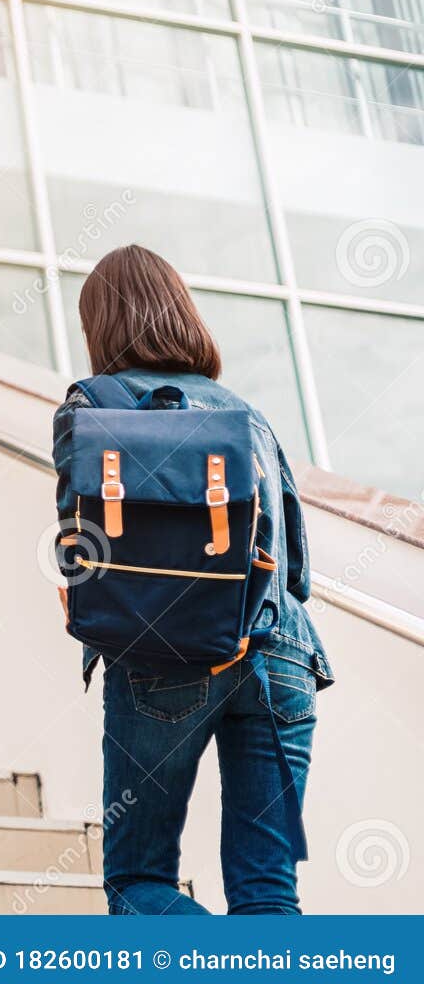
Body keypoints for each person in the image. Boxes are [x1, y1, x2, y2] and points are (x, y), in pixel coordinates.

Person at [54, 245, 334, 915]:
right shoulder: (248, 415)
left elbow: (79, 543)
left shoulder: (94, 405)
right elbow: (294, 561)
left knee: (138, 880)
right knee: (269, 895)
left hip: (164, 653)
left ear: (100, 326)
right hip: (283, 651)